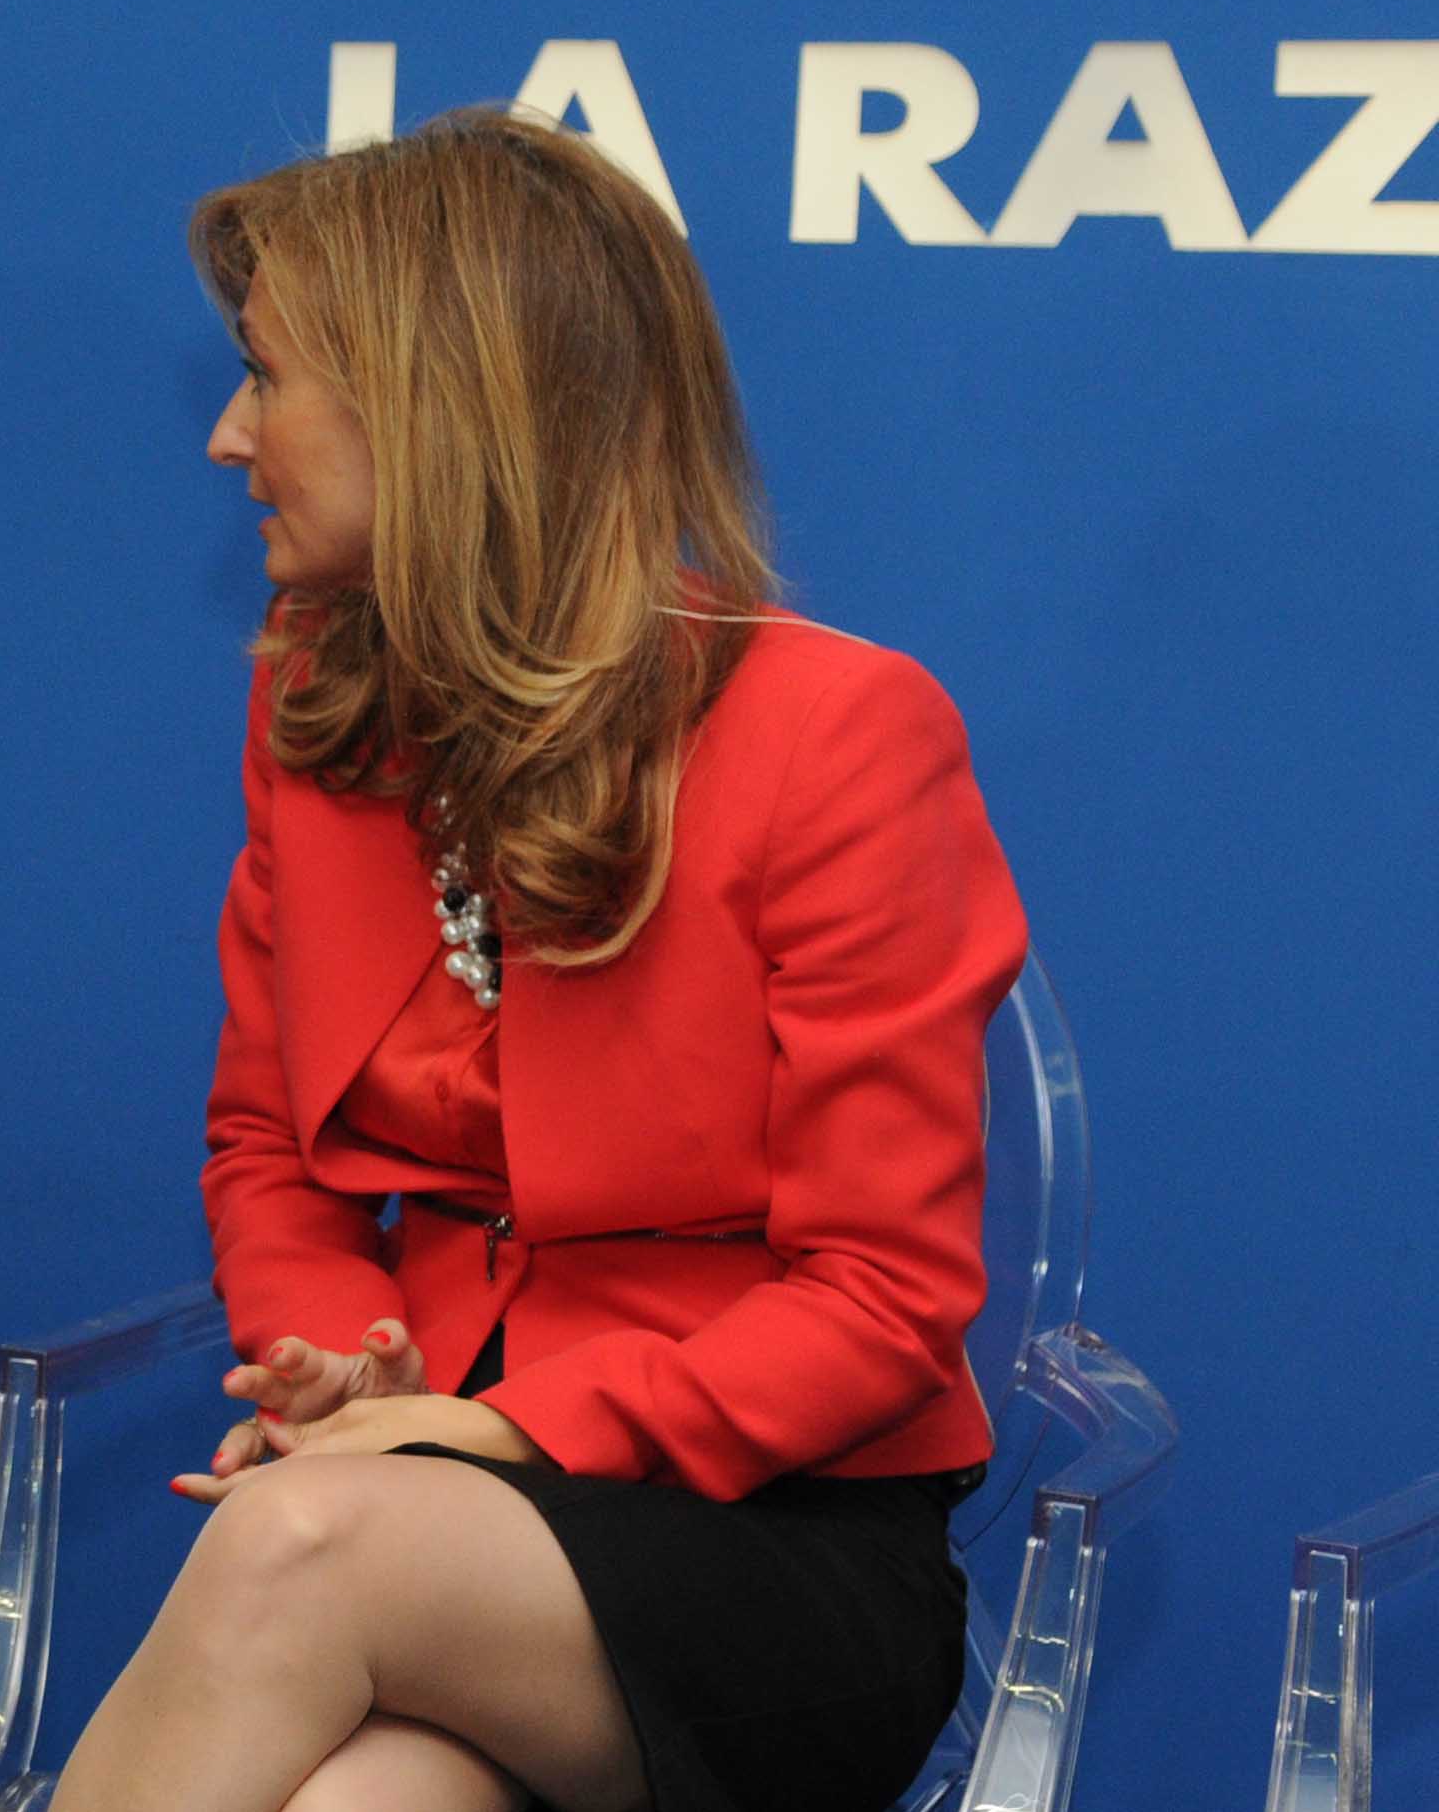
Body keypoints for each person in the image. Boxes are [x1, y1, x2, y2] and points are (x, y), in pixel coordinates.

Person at [51, 109, 1025, 1812]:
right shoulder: (317, 710)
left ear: (439, 409)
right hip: (424, 1514)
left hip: (774, 1548)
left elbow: (885, 1301)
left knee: (294, 1549)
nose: (228, 438)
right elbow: (268, 1153)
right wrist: (348, 1365)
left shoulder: (835, 732)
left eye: (266, 380)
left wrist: (482, 1434)